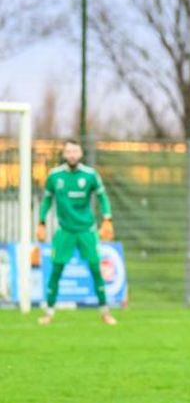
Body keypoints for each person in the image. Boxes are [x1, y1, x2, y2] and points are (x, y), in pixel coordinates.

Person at [36, 139, 118, 326]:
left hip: (86, 230)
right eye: (68, 151)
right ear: (64, 154)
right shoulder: (55, 176)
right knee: (56, 270)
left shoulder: (90, 175)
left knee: (96, 269)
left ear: (80, 154)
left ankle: (105, 312)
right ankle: (48, 313)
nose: (72, 154)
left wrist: (107, 218)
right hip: (65, 231)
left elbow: (102, 197)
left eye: (75, 151)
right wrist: (41, 222)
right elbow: (47, 200)